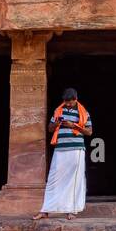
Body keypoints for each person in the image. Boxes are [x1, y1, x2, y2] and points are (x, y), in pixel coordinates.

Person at [35, 87, 92, 219]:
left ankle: (71, 211)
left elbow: (89, 132)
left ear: (75, 100)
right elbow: (50, 129)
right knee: (53, 179)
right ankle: (45, 210)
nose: (67, 104)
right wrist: (57, 123)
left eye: (69, 102)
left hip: (76, 150)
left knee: (74, 181)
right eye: (65, 102)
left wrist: (74, 126)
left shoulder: (84, 113)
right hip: (60, 149)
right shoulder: (58, 111)